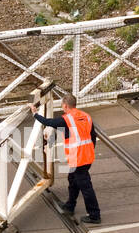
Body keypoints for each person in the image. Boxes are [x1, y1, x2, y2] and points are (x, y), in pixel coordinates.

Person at [29, 93, 100, 224]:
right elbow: (93, 136)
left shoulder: (66, 119)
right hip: (86, 156)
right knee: (73, 180)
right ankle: (70, 206)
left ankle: (94, 215)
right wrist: (89, 151)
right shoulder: (86, 117)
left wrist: (35, 113)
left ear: (65, 106)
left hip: (78, 159)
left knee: (85, 187)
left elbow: (48, 122)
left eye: (62, 106)